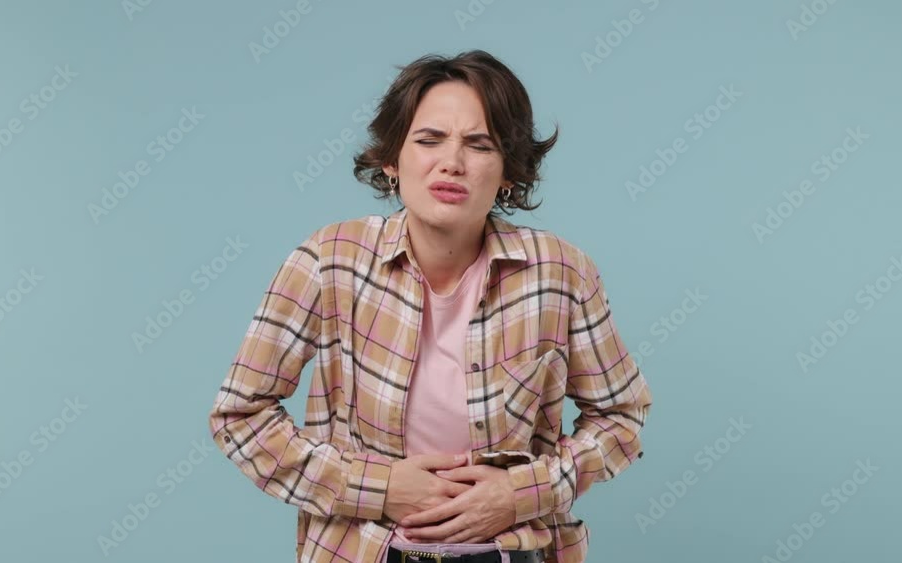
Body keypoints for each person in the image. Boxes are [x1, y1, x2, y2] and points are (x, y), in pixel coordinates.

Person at [208, 50, 652, 563]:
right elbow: (239, 416)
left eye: (479, 144)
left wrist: (522, 494)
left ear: (509, 172)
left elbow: (621, 417)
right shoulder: (329, 260)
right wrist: (376, 487)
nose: (452, 162)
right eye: (428, 139)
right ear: (391, 160)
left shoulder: (561, 272)